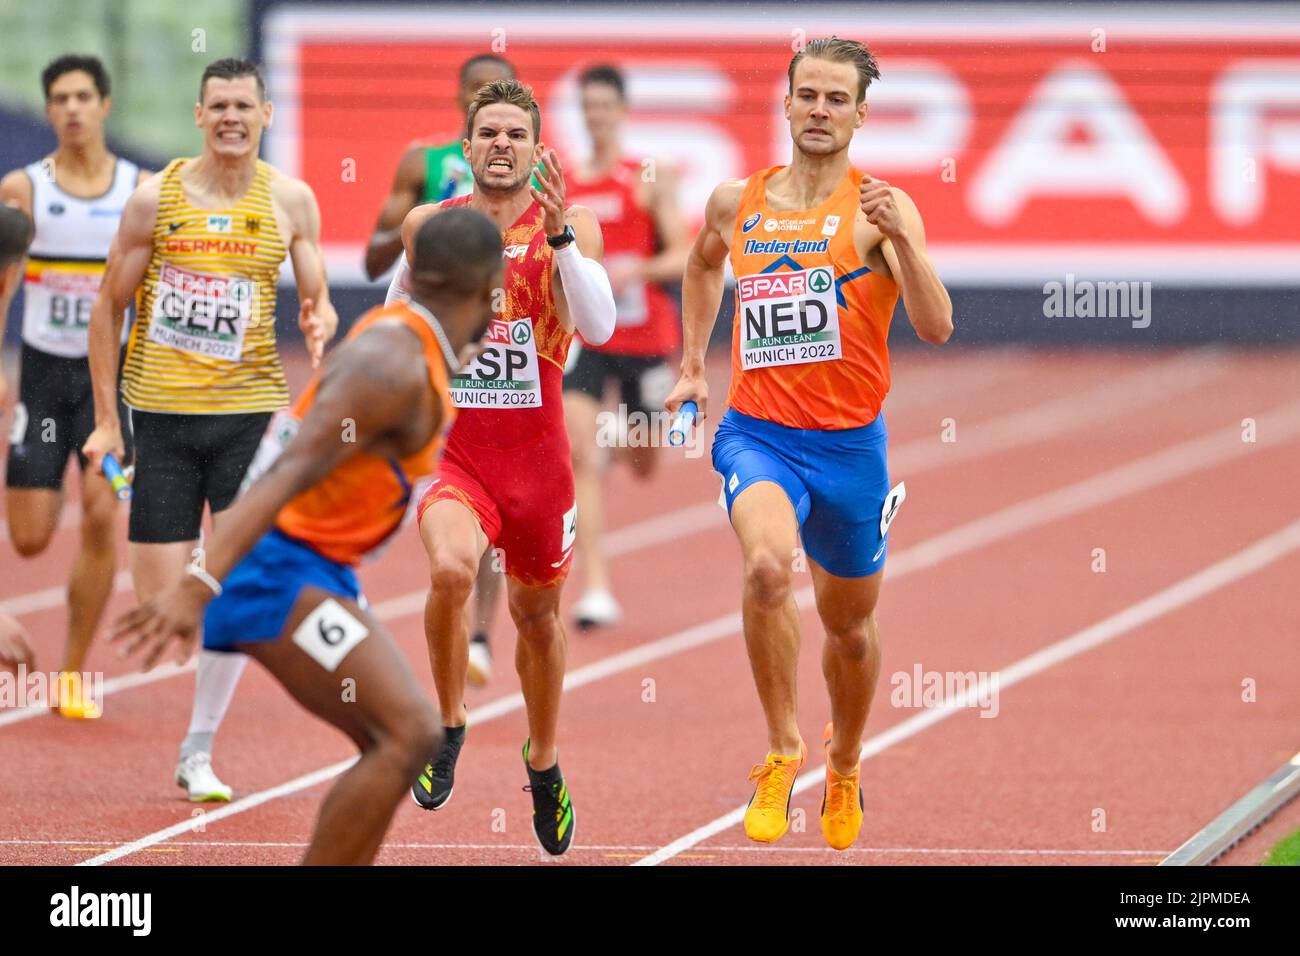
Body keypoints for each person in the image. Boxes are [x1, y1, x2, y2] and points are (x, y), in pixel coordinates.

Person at [112, 207, 502, 865]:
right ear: (487, 289)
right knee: (408, 735)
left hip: (316, 568)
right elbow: (286, 472)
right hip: (273, 568)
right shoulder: (393, 363)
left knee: (397, 738)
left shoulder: (417, 345)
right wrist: (199, 583)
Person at [664, 38, 953, 851]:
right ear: (786, 105)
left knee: (850, 629)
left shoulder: (879, 208)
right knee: (764, 567)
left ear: (861, 114)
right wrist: (692, 365)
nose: (820, 110)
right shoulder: (736, 200)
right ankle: (784, 748)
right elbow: (701, 265)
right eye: (808, 96)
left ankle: (848, 760)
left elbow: (935, 326)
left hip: (851, 451)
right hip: (757, 435)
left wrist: (909, 247)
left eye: (837, 99)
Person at [82, 57, 337, 801]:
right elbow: (107, 310)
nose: (231, 117)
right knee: (163, 607)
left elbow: (315, 285)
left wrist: (319, 314)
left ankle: (197, 749)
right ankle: (195, 710)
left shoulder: (291, 199)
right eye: (218, 105)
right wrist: (106, 421)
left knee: (227, 589)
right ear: (199, 115)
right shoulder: (153, 200)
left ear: (263, 115)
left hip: (248, 419)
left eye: (243, 106)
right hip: (158, 418)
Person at [388, 79, 614, 855]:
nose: (501, 145)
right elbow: (394, 324)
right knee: (450, 570)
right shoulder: (433, 229)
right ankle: (448, 724)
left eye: (516, 134)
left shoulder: (571, 224)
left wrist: (559, 242)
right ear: (468, 143)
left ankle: (543, 763)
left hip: (539, 463)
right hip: (459, 454)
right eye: (488, 132)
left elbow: (601, 322)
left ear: (537, 147)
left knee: (536, 619)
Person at [0, 55, 149, 718]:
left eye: (84, 96)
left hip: (110, 386)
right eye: (59, 98)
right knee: (30, 537)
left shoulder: (139, 190)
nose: (71, 109)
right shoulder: (24, 190)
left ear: (105, 105)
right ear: (50, 107)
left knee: (100, 512)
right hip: (42, 375)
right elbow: (2, 287)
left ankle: (70, 674)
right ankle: (50, 476)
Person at [365, 52, 519, 688]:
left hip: (509, 346)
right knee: (417, 481)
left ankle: (480, 632)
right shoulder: (422, 165)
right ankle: (355, 580)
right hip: (437, 350)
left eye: (499, 94)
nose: (487, 102)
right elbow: (378, 259)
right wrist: (425, 231)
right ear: (460, 100)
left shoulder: (528, 167)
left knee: (492, 497)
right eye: (477, 93)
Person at [562, 64, 688, 629]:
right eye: (586, 105)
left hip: (643, 337)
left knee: (642, 461)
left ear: (621, 109)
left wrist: (636, 268)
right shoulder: (565, 180)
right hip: (587, 336)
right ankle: (595, 589)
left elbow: (683, 255)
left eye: (604, 105)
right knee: (580, 455)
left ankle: (624, 448)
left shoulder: (647, 176)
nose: (595, 116)